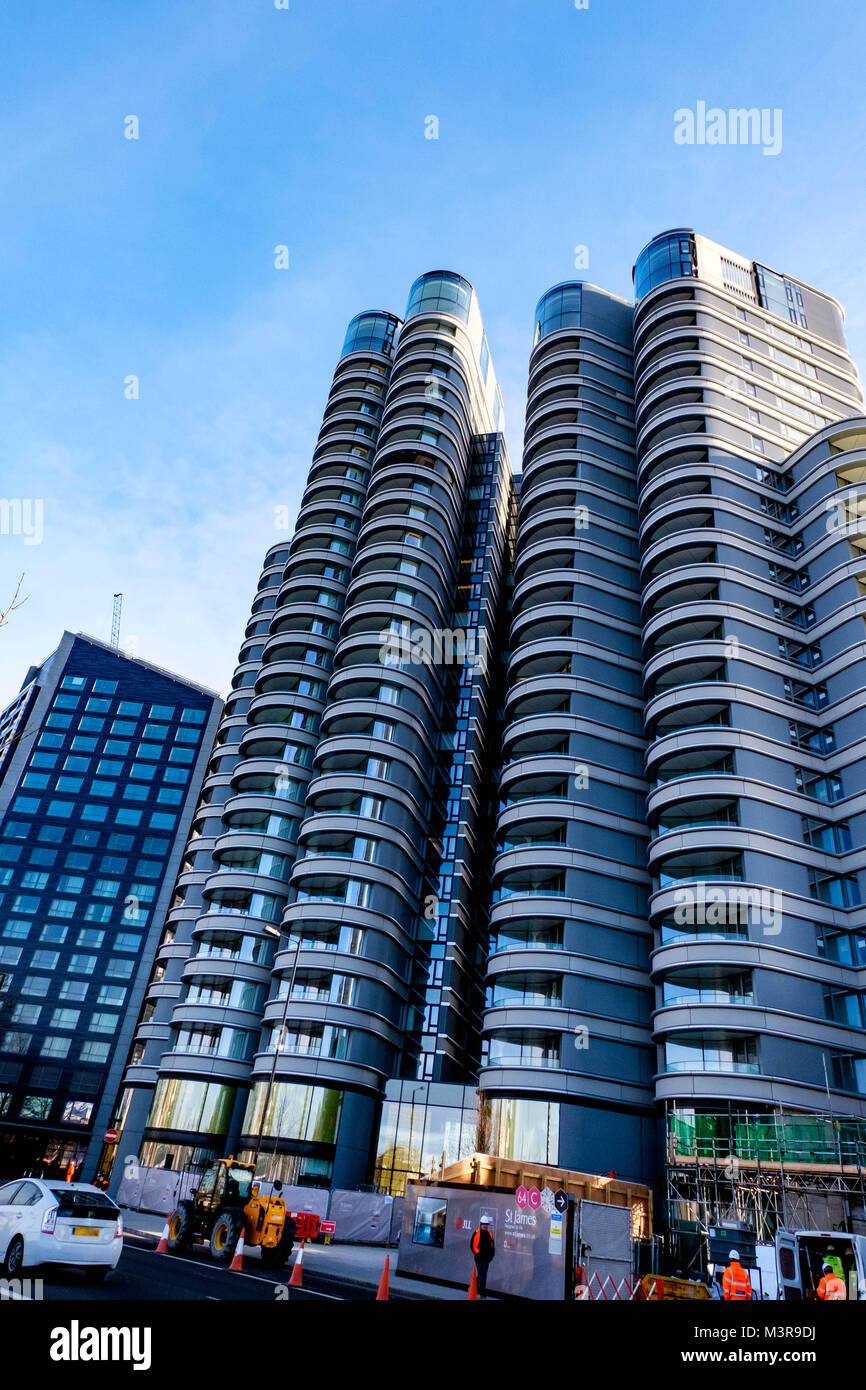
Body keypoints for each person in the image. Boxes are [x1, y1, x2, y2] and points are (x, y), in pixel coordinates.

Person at [470, 1215, 495, 1299]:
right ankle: (482, 1295)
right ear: (480, 1224)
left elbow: (492, 1247)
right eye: (483, 1224)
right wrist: (478, 1254)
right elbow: (472, 1245)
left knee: (482, 1275)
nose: (485, 1225)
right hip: (479, 1259)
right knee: (483, 1276)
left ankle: (472, 1287)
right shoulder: (476, 1233)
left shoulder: (490, 1234)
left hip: (486, 1259)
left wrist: (491, 1256)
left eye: (486, 1224)